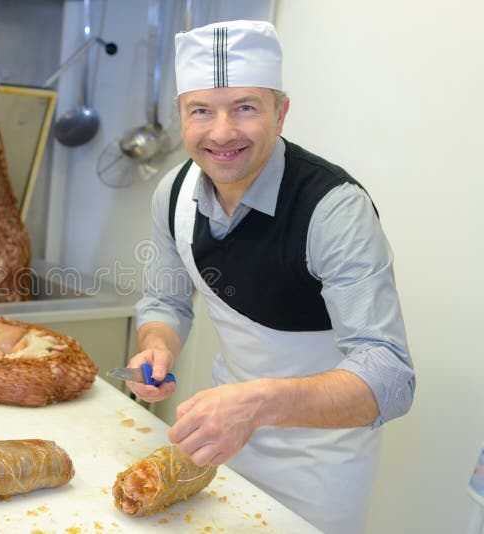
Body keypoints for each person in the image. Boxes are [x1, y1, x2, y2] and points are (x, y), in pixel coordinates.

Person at [129, 19, 415, 534]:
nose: (221, 133)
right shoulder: (172, 194)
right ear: (181, 117)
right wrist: (157, 346)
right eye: (201, 111)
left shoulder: (333, 209)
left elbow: (391, 376)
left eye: (245, 107)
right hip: (215, 444)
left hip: (320, 466)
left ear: (280, 113)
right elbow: (166, 303)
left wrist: (260, 403)